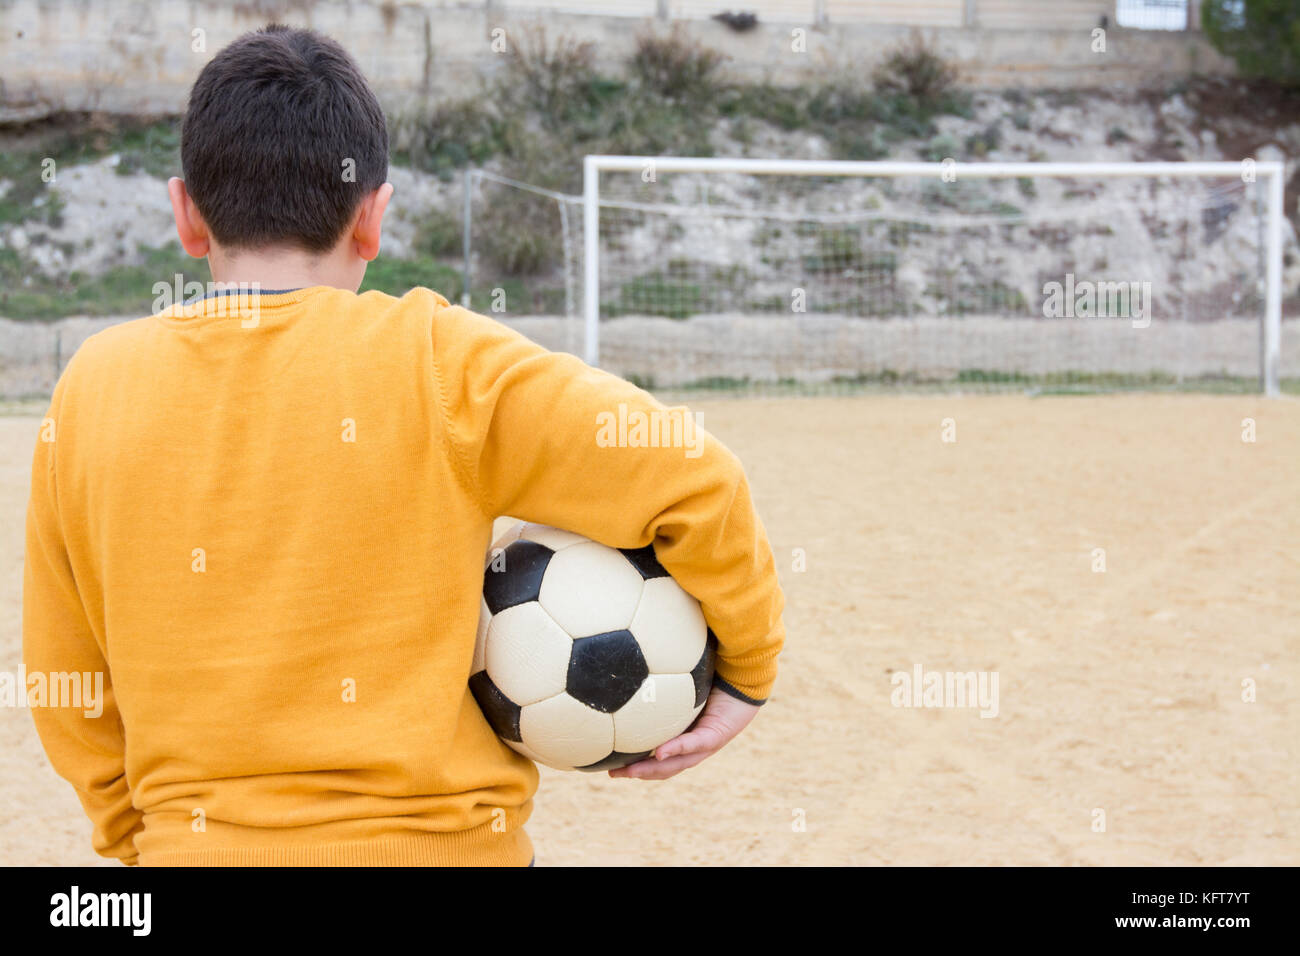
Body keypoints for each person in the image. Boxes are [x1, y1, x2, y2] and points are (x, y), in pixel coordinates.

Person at [23, 24, 785, 867]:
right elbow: (692, 473)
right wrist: (748, 665)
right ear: (372, 217)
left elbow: (67, 681)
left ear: (186, 215)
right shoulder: (443, 361)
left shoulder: (92, 389)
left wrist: (149, 841)